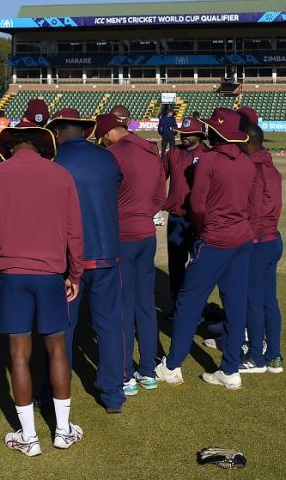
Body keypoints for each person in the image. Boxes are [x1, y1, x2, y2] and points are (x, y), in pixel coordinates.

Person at [0, 116, 85, 455]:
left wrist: (5, 236)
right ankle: (63, 431)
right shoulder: (61, 175)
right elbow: (75, 233)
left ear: (8, 145)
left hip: (12, 275)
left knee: (19, 355)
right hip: (51, 274)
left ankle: (29, 436)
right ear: (42, 144)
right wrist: (76, 274)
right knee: (57, 349)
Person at [156, 108, 255, 390]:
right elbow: (250, 205)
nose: (207, 130)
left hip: (214, 240)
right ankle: (230, 369)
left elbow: (197, 205)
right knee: (234, 304)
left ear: (217, 132)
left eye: (211, 127)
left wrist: (204, 229)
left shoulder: (209, 161)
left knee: (188, 301)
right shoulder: (248, 163)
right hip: (240, 239)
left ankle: (173, 365)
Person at [48, 108, 127, 414]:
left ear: (57, 132)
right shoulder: (107, 157)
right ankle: (113, 394)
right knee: (108, 325)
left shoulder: (57, 164)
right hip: (107, 252)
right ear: (83, 130)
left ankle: (58, 389)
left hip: (70, 259)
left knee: (63, 327)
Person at [100, 112, 166, 395]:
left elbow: (104, 196)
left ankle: (126, 373)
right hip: (146, 234)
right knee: (145, 303)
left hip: (123, 235)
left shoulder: (113, 154)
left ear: (107, 133)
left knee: (123, 305)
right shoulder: (152, 152)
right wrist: (143, 215)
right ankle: (148, 371)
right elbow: (161, 197)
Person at [239, 122, 284, 375]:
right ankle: (274, 356)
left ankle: (256, 356)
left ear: (246, 141)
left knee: (253, 301)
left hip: (257, 242)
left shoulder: (253, 169)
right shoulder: (271, 167)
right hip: (273, 239)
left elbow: (252, 211)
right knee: (268, 301)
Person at [163, 116, 208, 302]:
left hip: (197, 218)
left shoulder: (207, 154)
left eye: (189, 134)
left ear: (199, 135)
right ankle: (176, 300)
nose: (184, 137)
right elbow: (159, 178)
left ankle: (196, 303)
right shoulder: (173, 152)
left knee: (199, 263)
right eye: (183, 133)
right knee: (175, 263)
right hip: (176, 218)